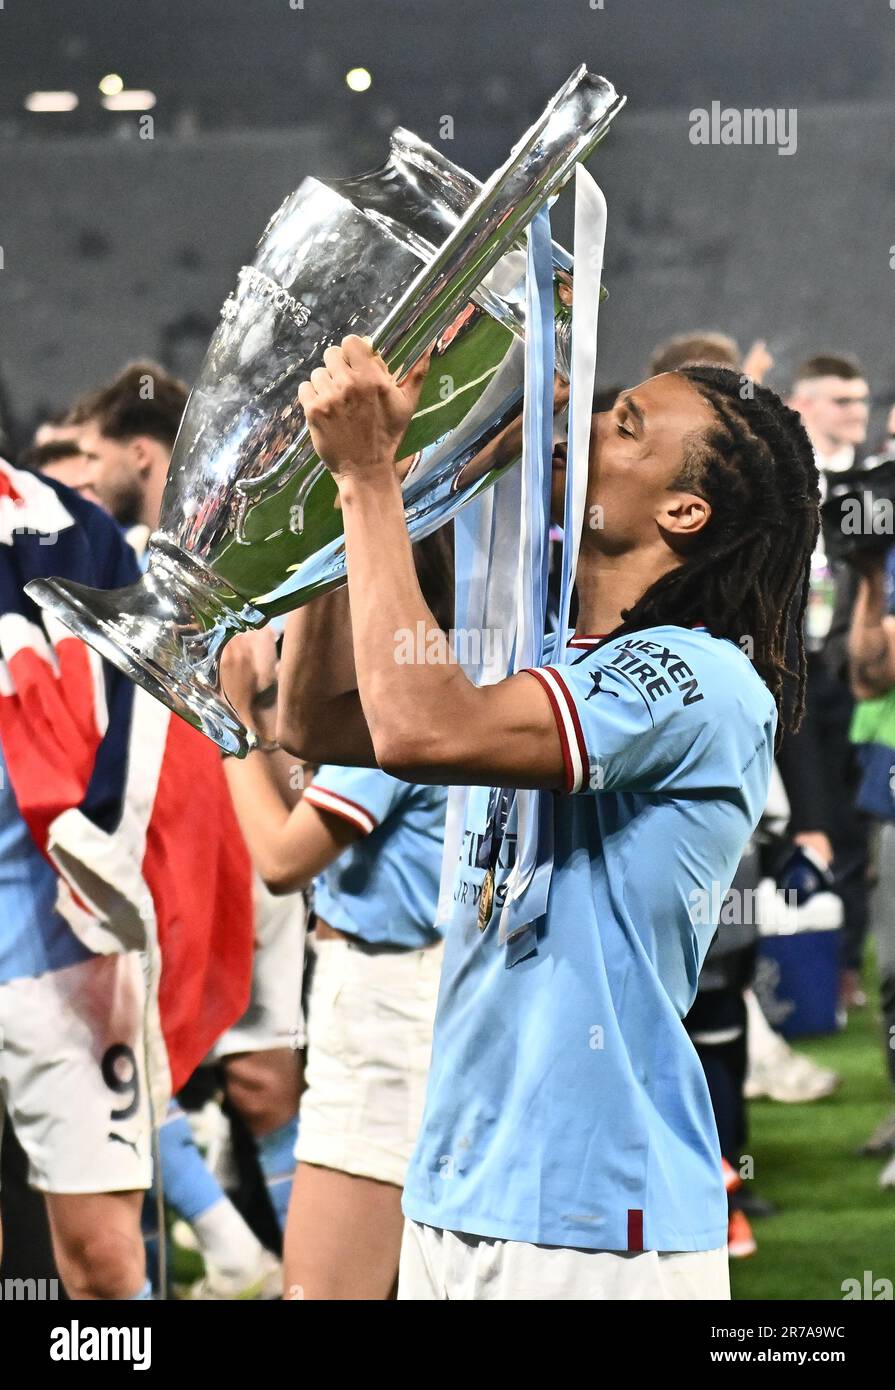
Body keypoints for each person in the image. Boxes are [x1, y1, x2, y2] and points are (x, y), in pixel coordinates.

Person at [274, 335, 819, 1300]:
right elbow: (315, 719)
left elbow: (420, 731)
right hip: (458, 1185)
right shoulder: (545, 650)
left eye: (626, 427)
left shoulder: (698, 677)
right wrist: (367, 485)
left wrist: (369, 481)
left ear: (682, 511)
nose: (589, 420)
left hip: (597, 1219)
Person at [221, 532, 452, 1300]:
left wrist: (231, 727)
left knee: (322, 1293)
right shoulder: (434, 687)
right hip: (396, 994)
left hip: (389, 1005)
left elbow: (283, 861)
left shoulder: (399, 713)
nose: (293, 635)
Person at [788, 354, 873, 1013]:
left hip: (851, 676)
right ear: (806, 403)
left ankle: (842, 971)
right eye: (842, 400)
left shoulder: (871, 488)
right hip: (788, 670)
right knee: (802, 819)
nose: (856, 412)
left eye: (861, 400)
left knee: (853, 827)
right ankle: (792, 970)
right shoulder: (780, 477)